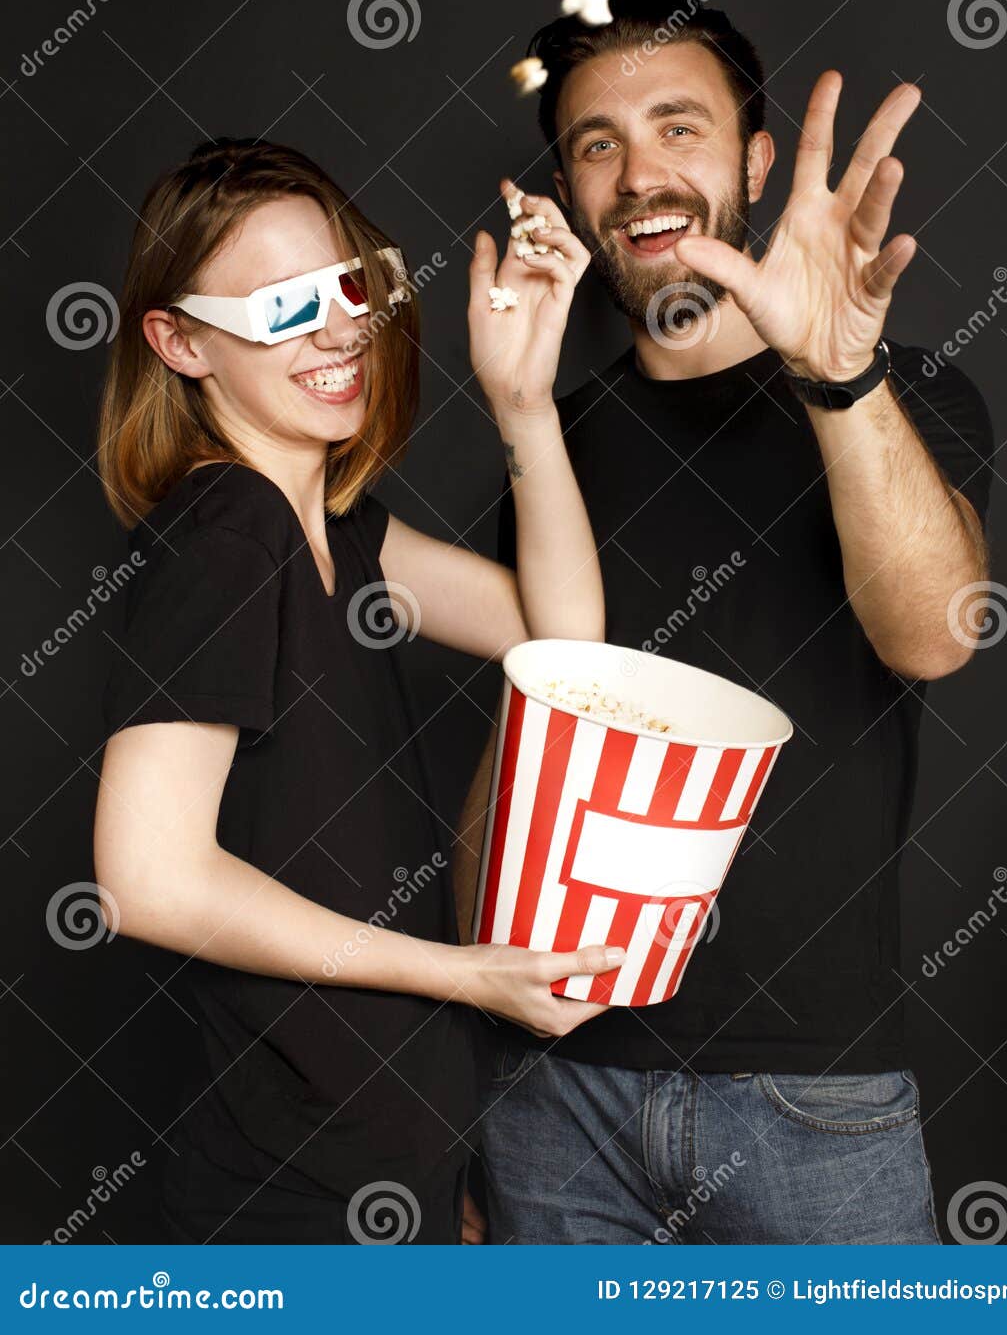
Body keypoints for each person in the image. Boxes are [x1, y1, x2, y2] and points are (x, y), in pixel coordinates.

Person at [459, 0, 996, 1245]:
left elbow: (931, 634)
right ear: (567, 191)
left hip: (812, 1094)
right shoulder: (550, 435)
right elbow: (524, 746)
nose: (640, 174)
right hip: (554, 1088)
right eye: (597, 144)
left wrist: (837, 376)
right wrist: (461, 1081)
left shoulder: (904, 397)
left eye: (677, 126)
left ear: (755, 161)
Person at [93, 136, 625, 1245]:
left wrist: (522, 401)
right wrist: (468, 976)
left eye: (347, 286)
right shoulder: (226, 536)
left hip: (386, 1172)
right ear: (180, 342)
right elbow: (149, 881)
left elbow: (565, 643)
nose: (340, 331)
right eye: (283, 306)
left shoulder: (341, 531)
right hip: (285, 1202)